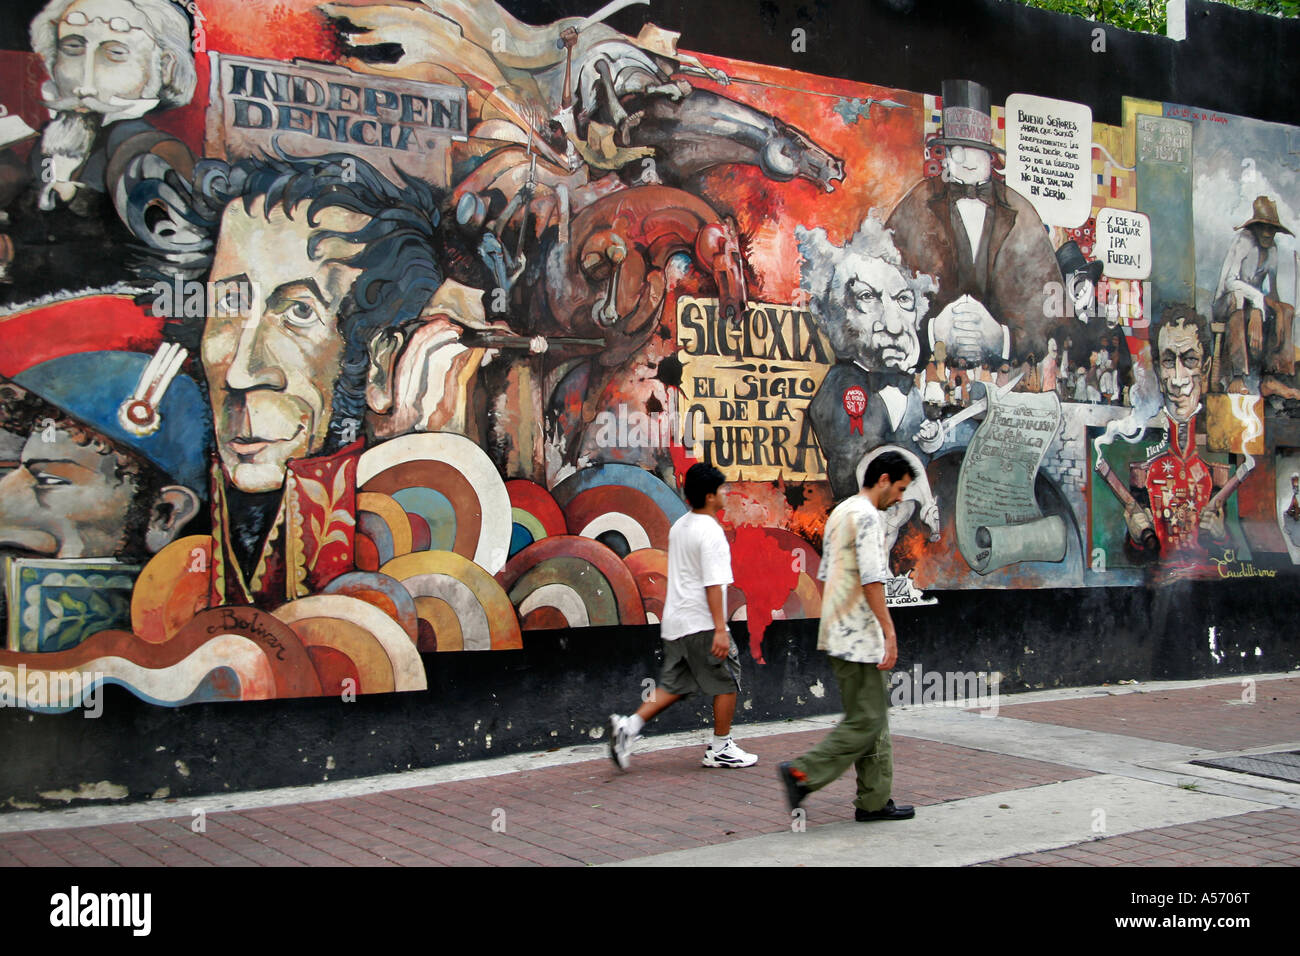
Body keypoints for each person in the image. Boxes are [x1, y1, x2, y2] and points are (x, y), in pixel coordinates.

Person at [0, 0, 201, 304]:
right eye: (72, 48)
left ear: (164, 66)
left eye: (115, 54)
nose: (85, 77)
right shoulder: (51, 141)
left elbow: (177, 272)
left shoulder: (152, 153)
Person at [886, 79, 1068, 369]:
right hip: (928, 376)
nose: (966, 159)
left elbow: (1052, 309)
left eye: (976, 149)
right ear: (943, 154)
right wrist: (932, 333)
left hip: (1006, 379)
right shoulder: (916, 203)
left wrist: (1004, 340)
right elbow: (879, 287)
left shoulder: (1023, 213)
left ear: (991, 155)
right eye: (956, 148)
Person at [778, 450, 917, 822]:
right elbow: (873, 579)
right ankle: (804, 773)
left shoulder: (842, 512)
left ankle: (874, 800)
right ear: (884, 479)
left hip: (838, 628)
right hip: (860, 633)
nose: (902, 498)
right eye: (901, 488)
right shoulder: (868, 517)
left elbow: (827, 573)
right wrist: (889, 632)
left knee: (872, 718)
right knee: (867, 720)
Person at [608, 463, 756, 770]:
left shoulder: (680, 526)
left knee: (673, 686)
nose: (726, 493)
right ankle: (721, 747)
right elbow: (713, 584)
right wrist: (719, 629)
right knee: (727, 681)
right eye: (721, 489)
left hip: (676, 623)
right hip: (702, 623)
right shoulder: (712, 532)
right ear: (710, 495)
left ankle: (629, 728)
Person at [798, 214, 944, 500]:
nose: (893, 325)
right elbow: (850, 462)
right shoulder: (842, 387)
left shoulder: (910, 387)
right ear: (836, 315)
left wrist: (930, 440)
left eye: (903, 300)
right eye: (867, 298)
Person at [1212, 195, 1297, 396]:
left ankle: (1271, 376)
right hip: (1227, 303)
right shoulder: (1244, 241)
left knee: (1286, 309)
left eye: (1272, 229)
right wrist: (1258, 304)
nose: (1268, 233)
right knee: (1237, 299)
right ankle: (1237, 377)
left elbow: (1273, 290)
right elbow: (1230, 282)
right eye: (1263, 227)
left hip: (1251, 304)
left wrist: (1277, 313)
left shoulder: (1273, 250)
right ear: (1255, 227)